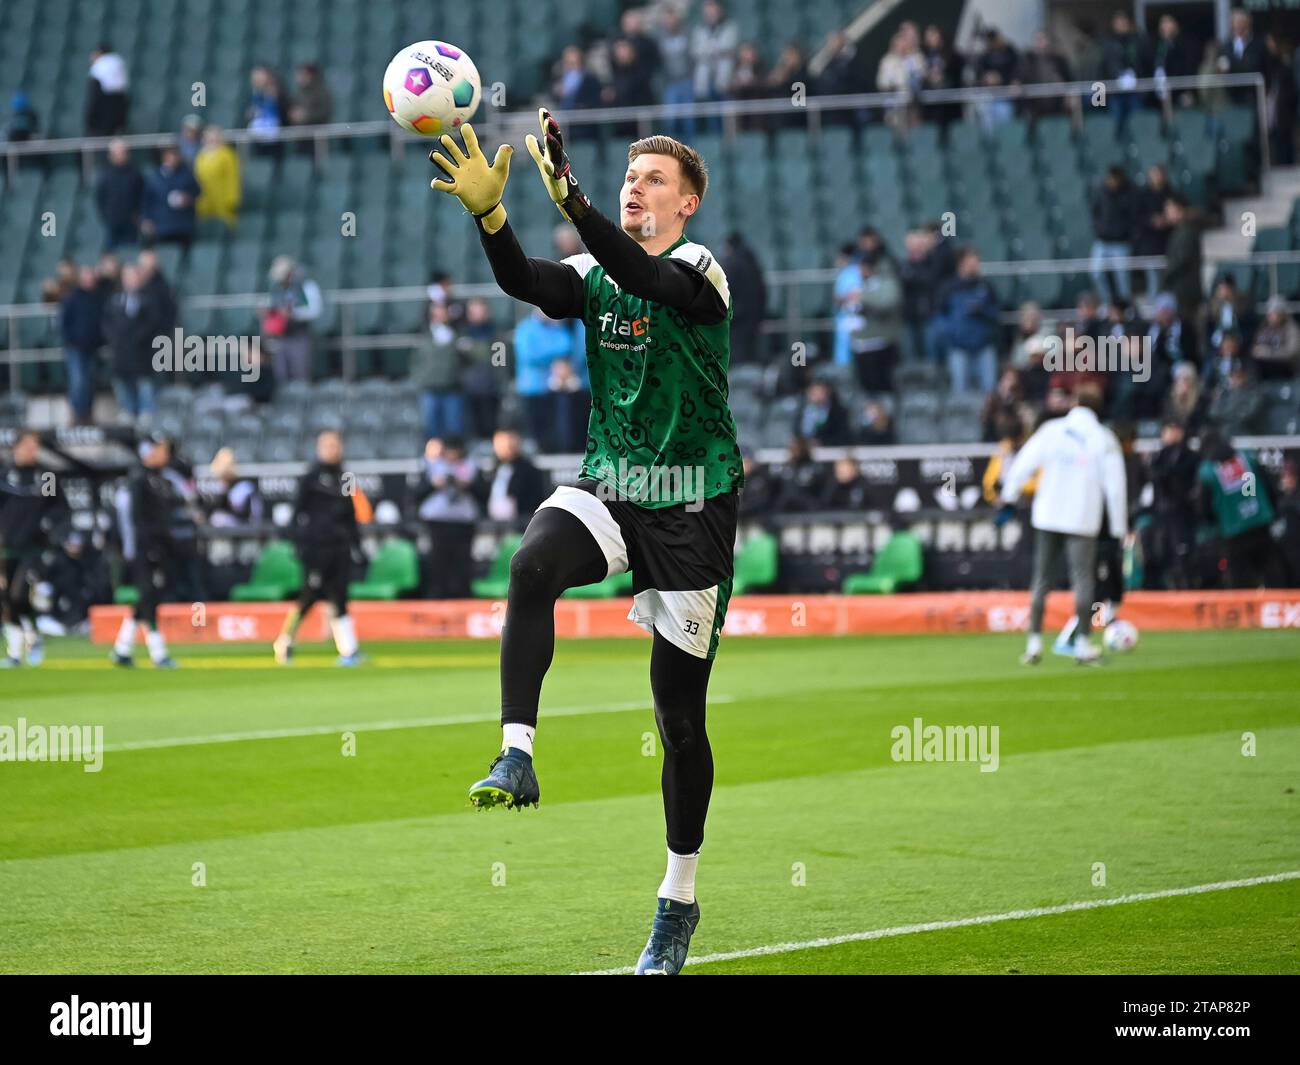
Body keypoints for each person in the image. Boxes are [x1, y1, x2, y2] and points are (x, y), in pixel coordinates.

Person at [429, 111, 743, 974]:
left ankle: (677, 898)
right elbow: (530, 281)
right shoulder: (593, 269)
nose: (634, 186)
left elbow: (641, 276)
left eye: (653, 181)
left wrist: (569, 197)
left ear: (686, 206)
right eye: (629, 177)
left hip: (692, 501)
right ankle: (517, 754)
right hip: (612, 480)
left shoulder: (698, 268)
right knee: (531, 563)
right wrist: (493, 218)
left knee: (678, 719)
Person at [999, 385, 1128, 665]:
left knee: (1041, 580)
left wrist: (1009, 497)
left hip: (1048, 514)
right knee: (1083, 580)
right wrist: (1118, 528)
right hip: (1082, 517)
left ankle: (1033, 644)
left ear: (1075, 403)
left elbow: (1023, 463)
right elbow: (1116, 488)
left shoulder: (1052, 430)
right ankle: (1082, 644)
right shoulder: (1104, 438)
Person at [273, 431, 364, 666]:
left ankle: (349, 650)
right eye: (328, 446)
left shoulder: (345, 478)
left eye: (336, 446)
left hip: (340, 547)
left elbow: (350, 515)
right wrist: (299, 544)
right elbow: (297, 514)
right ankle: (285, 639)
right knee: (309, 596)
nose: (332, 450)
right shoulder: (310, 478)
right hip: (316, 547)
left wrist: (357, 545)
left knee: (340, 597)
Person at [111, 433, 182, 669]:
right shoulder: (137, 480)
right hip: (141, 549)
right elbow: (131, 521)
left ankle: (122, 648)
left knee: (147, 597)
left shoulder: (160, 479)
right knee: (149, 596)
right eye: (160, 449)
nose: (165, 454)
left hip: (157, 547)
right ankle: (158, 652)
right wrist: (134, 550)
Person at [1, 431, 69, 668]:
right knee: (8, 600)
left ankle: (28, 642)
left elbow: (59, 508)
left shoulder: (45, 476)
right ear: (16, 447)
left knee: (20, 594)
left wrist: (49, 526)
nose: (32, 451)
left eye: (35, 446)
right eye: (27, 445)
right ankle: (18, 650)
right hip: (8, 547)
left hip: (35, 548)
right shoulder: (5, 475)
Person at [1197, 430, 1279, 587]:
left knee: (1241, 584)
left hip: (1233, 533)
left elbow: (1204, 509)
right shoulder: (1247, 458)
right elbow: (1270, 488)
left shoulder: (1207, 472)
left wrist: (1217, 524)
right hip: (1262, 524)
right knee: (1273, 577)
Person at [418, 437, 479, 599]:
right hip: (438, 524)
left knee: (462, 566)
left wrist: (466, 484)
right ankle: (438, 599)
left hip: (463, 524)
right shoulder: (431, 466)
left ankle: (463, 599)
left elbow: (483, 493)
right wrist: (434, 484)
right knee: (439, 565)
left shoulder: (471, 466)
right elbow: (416, 494)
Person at [934, 247, 1000, 394]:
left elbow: (996, 314)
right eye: (971, 261)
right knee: (960, 393)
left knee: (990, 391)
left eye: (976, 262)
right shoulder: (949, 287)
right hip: (959, 347)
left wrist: (982, 310)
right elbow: (940, 317)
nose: (975, 265)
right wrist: (952, 335)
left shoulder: (986, 286)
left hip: (983, 346)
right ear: (961, 263)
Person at [101, 263, 157, 423]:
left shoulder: (148, 299)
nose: (130, 281)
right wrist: (114, 339)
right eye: (127, 277)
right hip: (121, 351)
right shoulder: (115, 300)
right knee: (121, 381)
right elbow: (107, 322)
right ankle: (127, 410)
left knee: (144, 382)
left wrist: (137, 338)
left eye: (133, 277)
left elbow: (152, 322)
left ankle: (147, 412)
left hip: (142, 351)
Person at [411, 299, 468, 440]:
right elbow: (415, 361)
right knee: (431, 428)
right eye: (437, 309)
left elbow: (468, 360)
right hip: (430, 388)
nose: (440, 313)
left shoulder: (458, 335)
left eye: (443, 309)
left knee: (454, 427)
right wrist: (421, 378)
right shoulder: (424, 336)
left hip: (452, 387)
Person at [264, 256, 323, 382]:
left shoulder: (307, 286)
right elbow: (271, 305)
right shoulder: (277, 289)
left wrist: (294, 314)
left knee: (300, 372)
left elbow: (315, 311)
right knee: (281, 374)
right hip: (281, 336)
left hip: (299, 336)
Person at [59, 266, 106, 424]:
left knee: (90, 382)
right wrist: (71, 340)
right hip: (75, 348)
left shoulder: (99, 298)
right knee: (78, 381)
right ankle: (76, 414)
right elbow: (64, 323)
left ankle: (87, 414)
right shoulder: (72, 298)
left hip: (93, 347)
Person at [476, 428, 548, 527]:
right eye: (501, 443)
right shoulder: (488, 468)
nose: (507, 447)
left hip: (520, 524)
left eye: (510, 442)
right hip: (491, 525)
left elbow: (535, 498)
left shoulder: (530, 471)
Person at [140, 144, 200, 252]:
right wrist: (147, 219)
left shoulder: (187, 174)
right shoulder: (155, 176)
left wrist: (187, 198)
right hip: (162, 225)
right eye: (169, 155)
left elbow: (197, 192)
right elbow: (147, 200)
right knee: (164, 253)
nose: (172, 158)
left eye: (174, 155)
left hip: (183, 224)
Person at [1090, 165, 1137, 303]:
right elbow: (1094, 213)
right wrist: (1100, 229)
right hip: (1102, 242)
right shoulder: (1101, 192)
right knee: (1096, 273)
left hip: (1121, 243)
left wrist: (1127, 233)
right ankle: (1108, 304)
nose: (1112, 181)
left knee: (1122, 278)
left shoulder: (1129, 193)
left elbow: (1133, 217)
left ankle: (1125, 306)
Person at [96, 138, 145, 249]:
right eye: (116, 153)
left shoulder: (135, 174)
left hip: (132, 223)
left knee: (131, 253)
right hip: (113, 222)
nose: (120, 156)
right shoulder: (105, 176)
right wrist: (107, 216)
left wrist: (138, 216)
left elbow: (142, 196)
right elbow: (100, 199)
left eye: (122, 152)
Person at [194, 127, 242, 229]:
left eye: (213, 138)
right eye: (208, 138)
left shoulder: (227, 155)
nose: (210, 141)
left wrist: (232, 198)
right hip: (205, 198)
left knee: (225, 224)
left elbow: (232, 178)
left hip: (222, 197)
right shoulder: (201, 156)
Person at [207, 448, 264, 527]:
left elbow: (251, 515)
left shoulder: (245, 487)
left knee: (218, 518)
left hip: (247, 528)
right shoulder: (225, 489)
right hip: (233, 530)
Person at [86, 44, 129, 136]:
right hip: (120, 99)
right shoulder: (118, 60)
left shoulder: (102, 62)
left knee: (102, 131)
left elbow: (96, 84)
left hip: (104, 100)